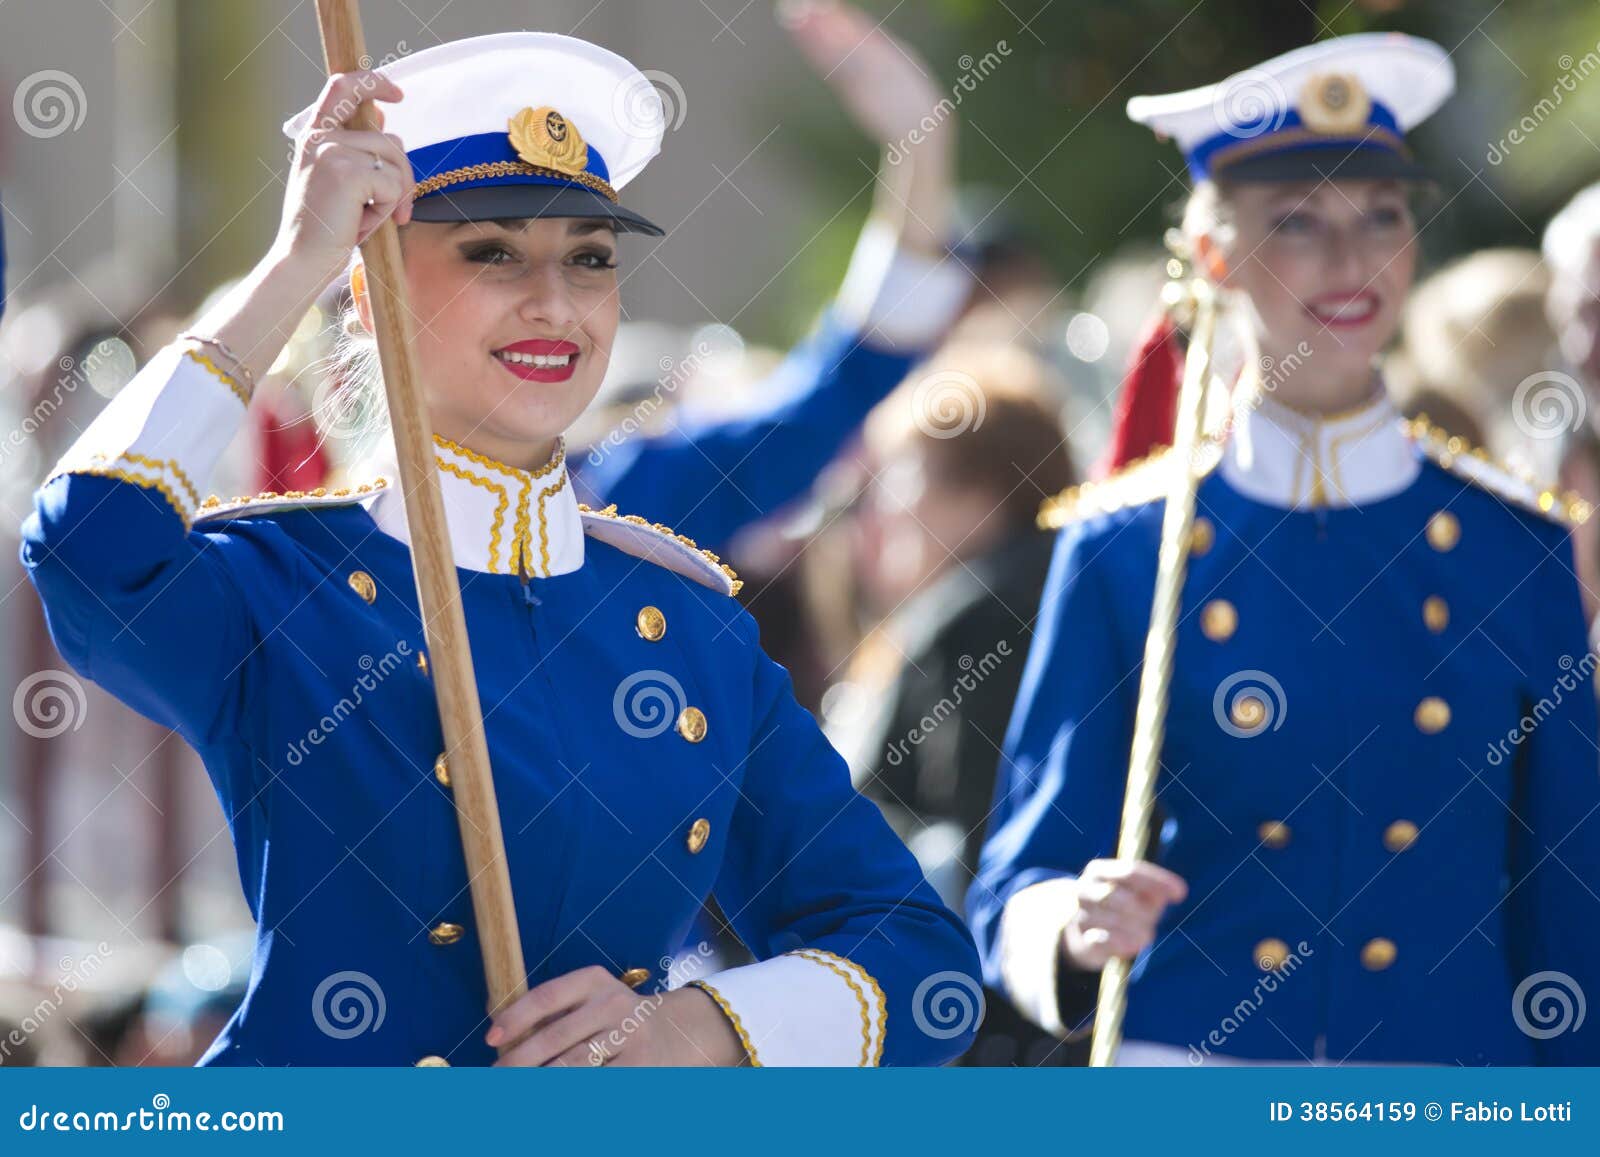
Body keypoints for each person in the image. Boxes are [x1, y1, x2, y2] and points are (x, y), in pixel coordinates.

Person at [21, 31, 979, 1067]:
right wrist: (293, 261)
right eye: (492, 252)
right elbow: (85, 548)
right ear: (372, 286)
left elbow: (922, 965)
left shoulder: (690, 628)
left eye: (590, 258)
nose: (555, 302)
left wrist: (698, 1028)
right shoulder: (283, 586)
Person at [969, 33, 1600, 1066]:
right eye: (1297, 223)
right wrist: (1071, 921)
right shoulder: (1123, 547)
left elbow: (1569, 899)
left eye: (1381, 218)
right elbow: (1018, 876)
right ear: (1214, 255)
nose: (1351, 263)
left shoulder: (1516, 547)